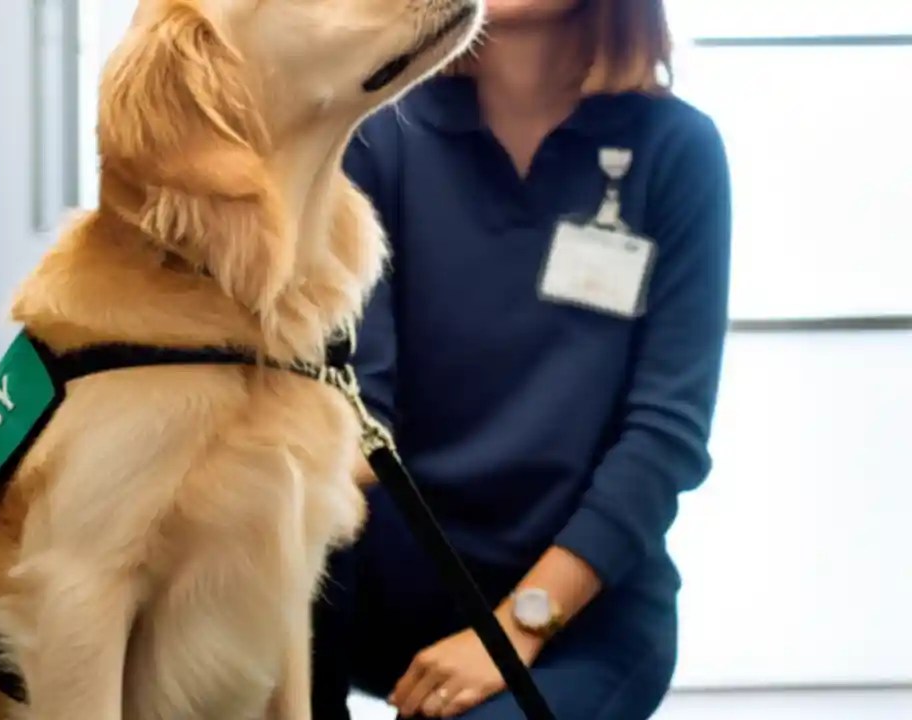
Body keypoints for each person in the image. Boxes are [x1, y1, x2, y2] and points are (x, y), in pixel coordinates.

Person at [310, 1, 732, 719]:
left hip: (575, 613)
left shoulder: (676, 150)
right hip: (386, 581)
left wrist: (517, 627)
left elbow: (664, 436)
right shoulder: (380, 135)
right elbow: (356, 407)